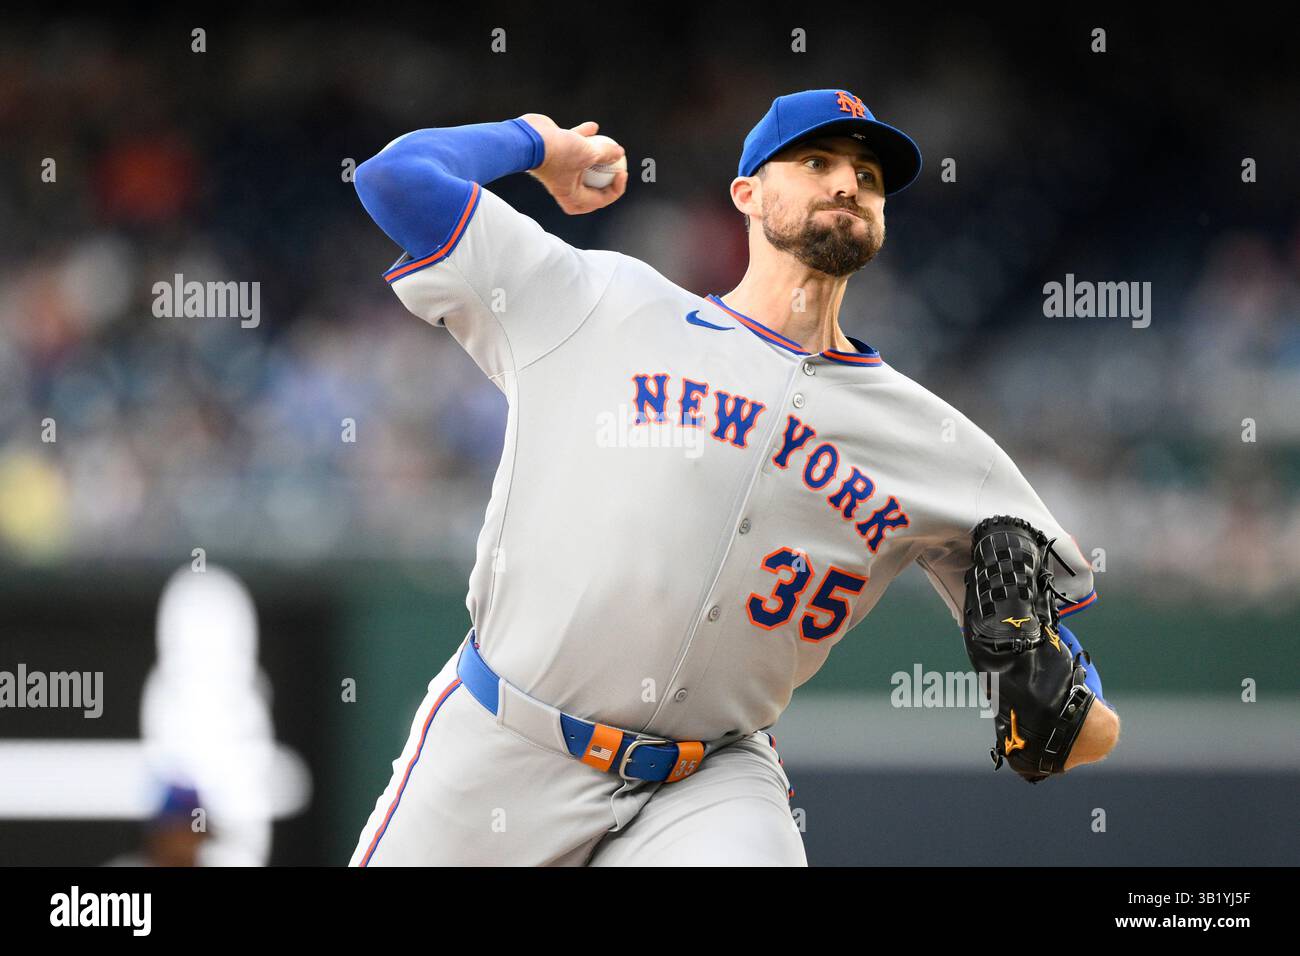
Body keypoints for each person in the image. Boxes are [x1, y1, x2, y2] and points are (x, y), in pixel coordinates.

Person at [348, 88, 1120, 866]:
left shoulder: (937, 445)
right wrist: (538, 142)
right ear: (746, 194)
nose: (847, 184)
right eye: (816, 162)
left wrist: (1048, 700)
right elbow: (395, 179)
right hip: (503, 743)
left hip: (707, 782)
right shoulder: (600, 302)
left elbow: (1078, 726)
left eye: (868, 177)